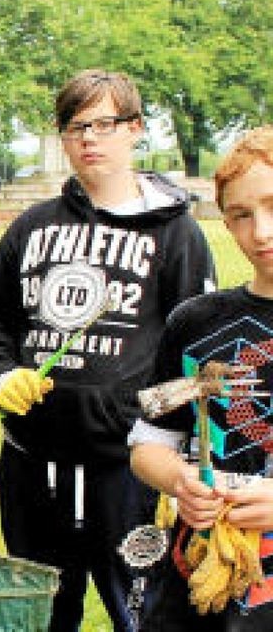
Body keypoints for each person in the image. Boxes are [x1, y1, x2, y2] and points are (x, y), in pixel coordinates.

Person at [0, 69, 217, 631]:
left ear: (135, 129)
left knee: (141, 617)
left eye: (104, 124)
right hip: (32, 465)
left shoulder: (176, 235)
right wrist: (1, 376)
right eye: (75, 126)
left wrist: (177, 458)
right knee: (40, 619)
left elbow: (195, 355)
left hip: (128, 472)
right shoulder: (31, 227)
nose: (89, 139)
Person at [130, 125, 273, 630]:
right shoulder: (195, 323)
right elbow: (148, 444)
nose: (261, 232)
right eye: (242, 215)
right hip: (203, 587)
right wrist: (181, 481)